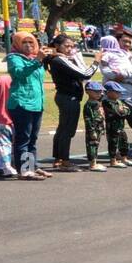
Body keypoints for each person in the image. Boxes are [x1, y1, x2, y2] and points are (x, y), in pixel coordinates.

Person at [46, 34, 97, 172]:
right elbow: (85, 74)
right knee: (68, 130)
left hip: (66, 96)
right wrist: (96, 62)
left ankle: (58, 158)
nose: (70, 49)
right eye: (66, 46)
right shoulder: (60, 60)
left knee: (63, 128)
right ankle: (65, 161)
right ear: (57, 46)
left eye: (72, 46)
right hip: (68, 97)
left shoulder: (60, 59)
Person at [6, 31, 49, 179]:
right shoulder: (14, 58)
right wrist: (37, 60)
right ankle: (24, 170)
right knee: (23, 138)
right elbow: (19, 73)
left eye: (31, 42)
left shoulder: (36, 58)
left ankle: (33, 166)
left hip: (36, 103)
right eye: (24, 42)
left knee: (32, 138)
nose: (29, 45)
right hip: (21, 103)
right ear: (17, 44)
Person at [101, 82, 132, 168]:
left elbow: (127, 111)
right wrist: (121, 111)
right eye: (116, 92)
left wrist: (122, 111)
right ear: (108, 92)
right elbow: (113, 113)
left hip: (120, 126)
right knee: (113, 143)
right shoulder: (106, 103)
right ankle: (113, 160)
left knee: (124, 142)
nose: (119, 93)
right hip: (112, 127)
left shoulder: (119, 102)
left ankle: (124, 158)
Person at [81, 81, 108, 171]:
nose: (99, 94)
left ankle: (94, 162)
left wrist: (102, 128)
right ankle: (92, 164)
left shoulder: (97, 102)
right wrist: (92, 131)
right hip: (93, 129)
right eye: (96, 91)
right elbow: (88, 119)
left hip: (98, 128)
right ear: (88, 91)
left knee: (96, 145)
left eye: (100, 92)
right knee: (92, 145)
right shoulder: (89, 105)